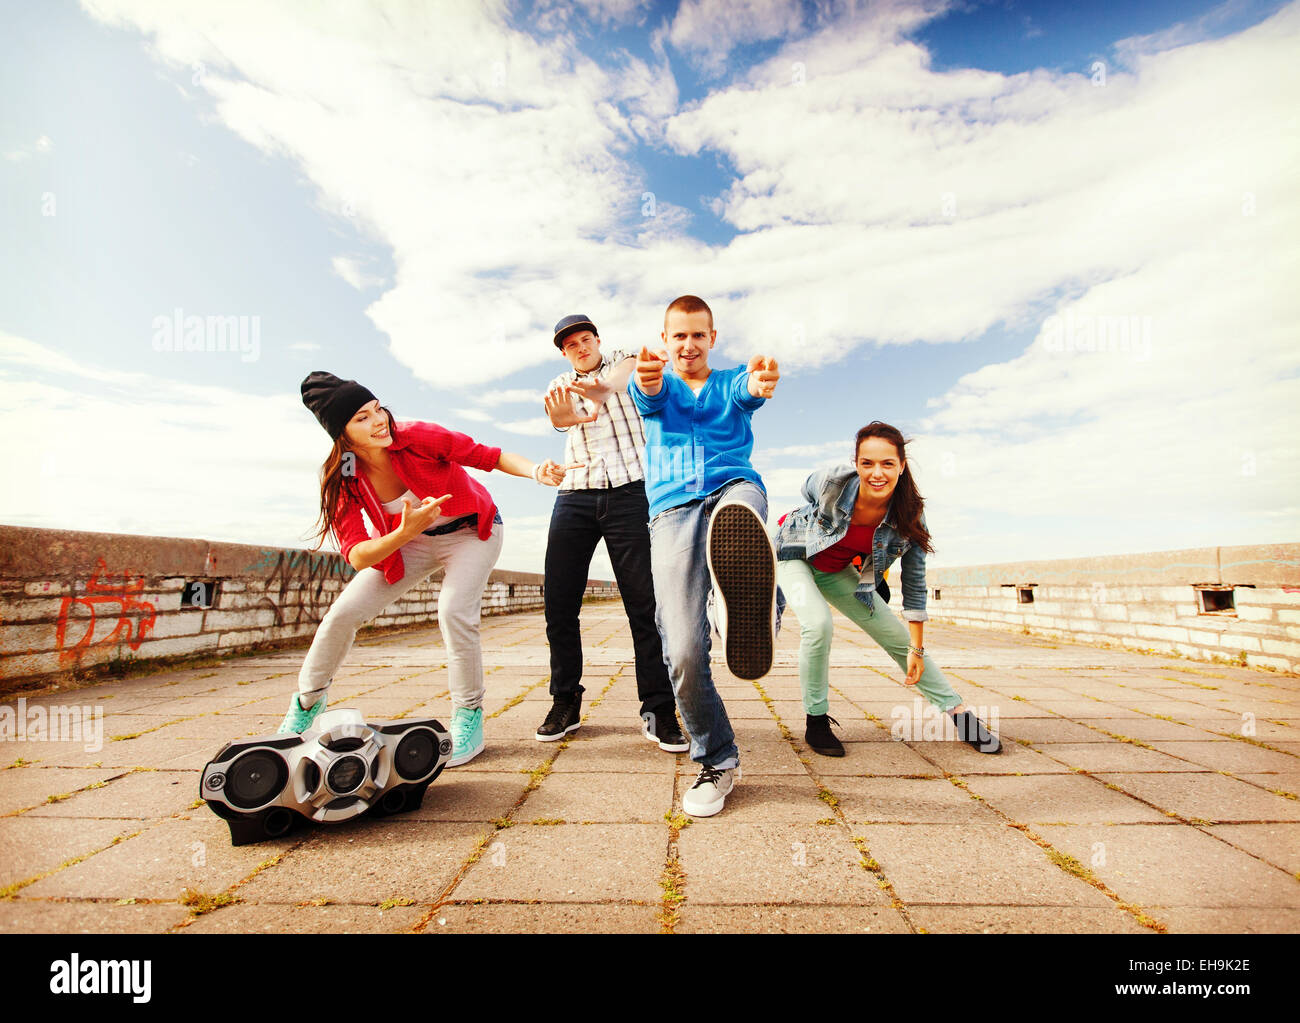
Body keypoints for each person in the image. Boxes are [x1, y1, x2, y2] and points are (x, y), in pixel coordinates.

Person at [282, 371, 577, 769]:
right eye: (361, 419)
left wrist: (535, 471)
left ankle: (469, 717)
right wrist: (406, 532)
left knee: (454, 611)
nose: (378, 421)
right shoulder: (343, 476)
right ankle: (307, 704)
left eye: (376, 409)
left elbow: (486, 455)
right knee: (342, 614)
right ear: (342, 434)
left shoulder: (416, 435)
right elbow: (357, 554)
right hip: (409, 542)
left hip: (472, 531)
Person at [628, 295, 781, 817]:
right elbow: (646, 394)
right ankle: (717, 756)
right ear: (665, 339)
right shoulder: (655, 381)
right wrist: (648, 379)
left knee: (742, 516)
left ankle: (760, 609)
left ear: (712, 338)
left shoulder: (731, 382)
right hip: (671, 510)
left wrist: (760, 383)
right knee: (684, 651)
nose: (688, 345)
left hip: (733, 488)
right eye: (679, 336)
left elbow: (750, 388)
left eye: (698, 335)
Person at [773, 421, 1001, 757]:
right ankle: (816, 720)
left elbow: (915, 586)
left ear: (902, 466)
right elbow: (807, 492)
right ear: (856, 463)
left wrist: (917, 649)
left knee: (898, 639)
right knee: (818, 624)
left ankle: (959, 715)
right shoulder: (833, 480)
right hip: (794, 553)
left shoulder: (911, 517)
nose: (876, 473)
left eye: (887, 464)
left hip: (837, 571)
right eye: (867, 463)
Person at [537, 315, 688, 752]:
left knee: (644, 605)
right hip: (577, 491)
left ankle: (659, 709)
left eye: (586, 339)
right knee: (559, 604)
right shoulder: (560, 382)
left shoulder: (622, 360)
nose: (580, 347)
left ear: (598, 340)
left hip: (632, 490)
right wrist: (566, 416)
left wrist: (603, 388)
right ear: (564, 353)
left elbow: (626, 374)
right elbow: (563, 417)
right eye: (571, 345)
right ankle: (565, 701)